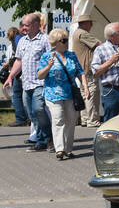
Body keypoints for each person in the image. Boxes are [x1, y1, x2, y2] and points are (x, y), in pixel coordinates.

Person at [35, 29, 86, 160]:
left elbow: (80, 72)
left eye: (67, 40)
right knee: (58, 120)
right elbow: (40, 75)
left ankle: (68, 149)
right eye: (64, 40)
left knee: (71, 121)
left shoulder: (71, 55)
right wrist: (48, 66)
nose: (66, 42)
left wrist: (85, 87)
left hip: (70, 93)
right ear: (55, 43)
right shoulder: (47, 56)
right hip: (53, 94)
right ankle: (59, 149)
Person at [6, 13, 52, 150]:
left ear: (37, 25)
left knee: (38, 109)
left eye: (27, 25)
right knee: (31, 113)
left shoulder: (45, 39)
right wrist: (10, 76)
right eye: (23, 25)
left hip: (40, 83)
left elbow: (52, 59)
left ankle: (47, 137)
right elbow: (18, 61)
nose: (23, 28)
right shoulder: (22, 41)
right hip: (26, 83)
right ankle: (41, 140)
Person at [69, 10, 102, 126]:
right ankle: (92, 120)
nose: (91, 25)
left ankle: (85, 118)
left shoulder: (77, 33)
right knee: (91, 92)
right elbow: (99, 44)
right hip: (87, 68)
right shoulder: (83, 33)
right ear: (85, 23)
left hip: (80, 67)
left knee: (84, 92)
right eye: (90, 23)